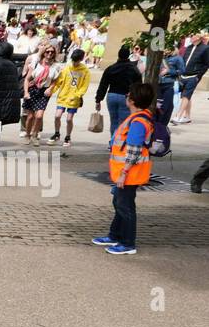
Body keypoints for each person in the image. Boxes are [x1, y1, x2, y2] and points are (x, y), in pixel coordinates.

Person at [92, 83, 155, 256]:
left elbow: (134, 150)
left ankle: (127, 243)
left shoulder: (138, 122)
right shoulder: (138, 118)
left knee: (125, 207)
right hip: (127, 172)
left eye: (128, 95)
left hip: (129, 173)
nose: (126, 96)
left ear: (132, 100)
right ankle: (115, 235)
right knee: (120, 203)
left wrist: (123, 173)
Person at [94, 46, 143, 137]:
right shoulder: (133, 69)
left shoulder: (111, 68)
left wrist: (98, 99)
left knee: (114, 121)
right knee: (123, 121)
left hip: (112, 95)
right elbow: (138, 85)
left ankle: (113, 141)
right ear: (128, 56)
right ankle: (119, 142)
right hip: (125, 97)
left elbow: (103, 85)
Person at [49, 48, 90, 148]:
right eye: (73, 60)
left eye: (77, 61)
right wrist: (51, 91)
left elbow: (85, 85)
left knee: (69, 119)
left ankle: (68, 137)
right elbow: (59, 82)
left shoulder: (85, 71)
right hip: (63, 96)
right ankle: (57, 133)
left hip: (74, 99)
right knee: (57, 116)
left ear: (81, 59)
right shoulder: (67, 68)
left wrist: (78, 95)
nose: (75, 63)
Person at [21, 44, 59, 146]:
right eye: (47, 51)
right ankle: (27, 135)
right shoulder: (36, 64)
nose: (50, 53)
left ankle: (34, 135)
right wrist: (26, 92)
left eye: (52, 52)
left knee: (39, 116)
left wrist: (50, 88)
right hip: (32, 90)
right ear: (44, 53)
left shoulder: (56, 66)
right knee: (30, 116)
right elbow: (27, 79)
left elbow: (55, 80)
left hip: (44, 92)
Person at [172, 32, 207, 125]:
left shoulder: (205, 48)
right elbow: (183, 60)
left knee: (185, 95)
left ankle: (178, 116)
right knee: (187, 95)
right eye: (190, 35)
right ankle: (187, 117)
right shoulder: (189, 47)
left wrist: (198, 76)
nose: (191, 37)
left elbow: (206, 64)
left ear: (199, 37)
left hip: (194, 76)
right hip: (184, 75)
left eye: (193, 35)